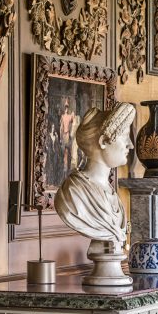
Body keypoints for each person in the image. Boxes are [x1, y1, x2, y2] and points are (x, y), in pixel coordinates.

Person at [54, 102, 136, 250]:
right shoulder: (73, 193)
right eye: (124, 136)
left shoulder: (111, 193)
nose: (130, 145)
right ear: (103, 141)